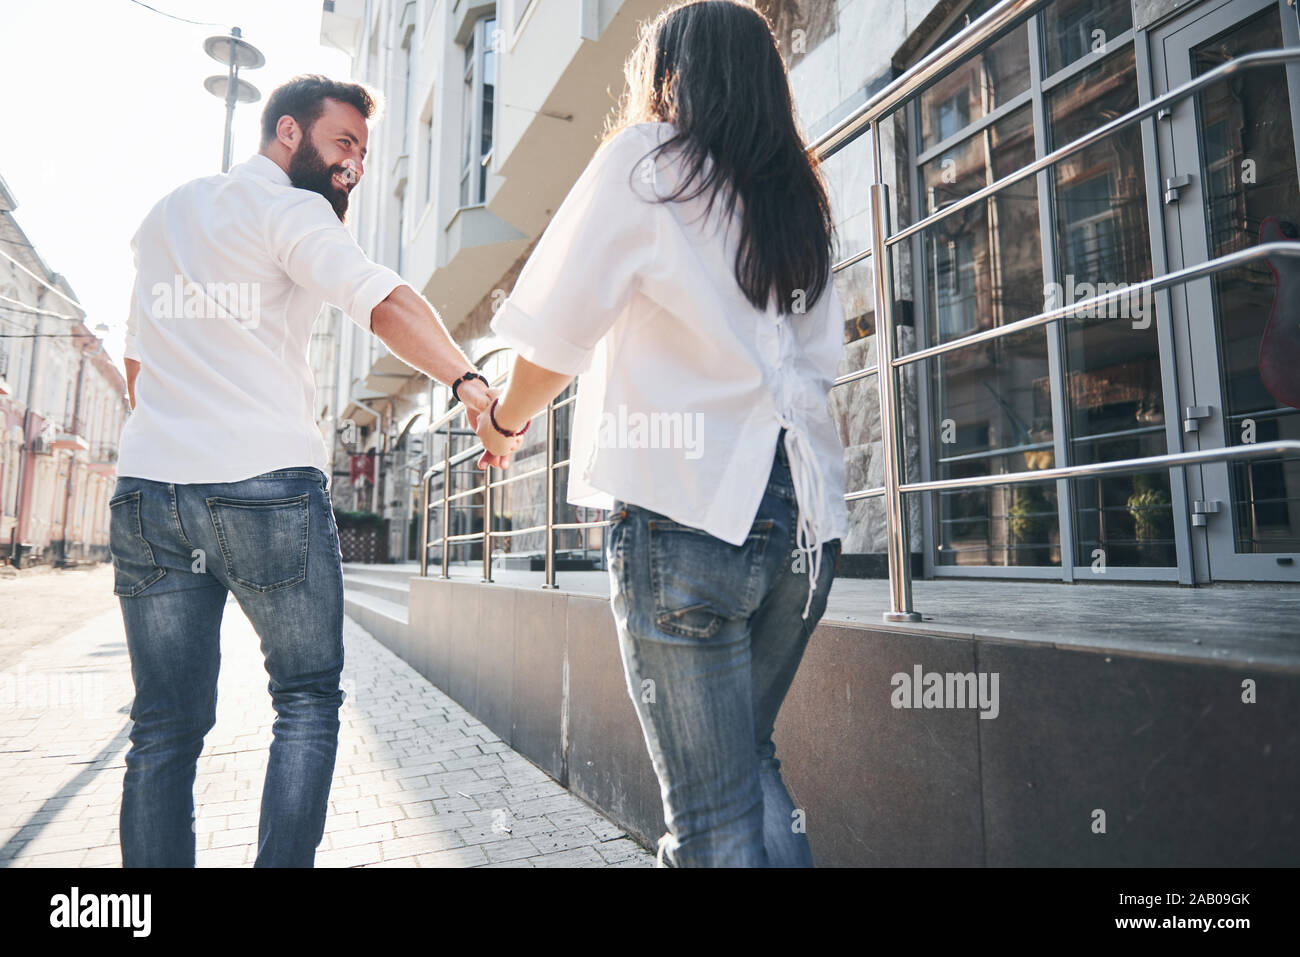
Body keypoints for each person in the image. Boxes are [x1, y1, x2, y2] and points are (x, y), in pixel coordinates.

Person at [475, 0, 848, 867]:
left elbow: (561, 329)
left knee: (711, 821)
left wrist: (502, 419)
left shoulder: (650, 160)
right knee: (746, 763)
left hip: (686, 518)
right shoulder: (801, 193)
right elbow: (820, 358)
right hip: (805, 527)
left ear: (672, 73)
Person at [111, 74, 514, 867]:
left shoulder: (167, 214)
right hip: (264, 488)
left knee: (163, 723)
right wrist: (468, 382)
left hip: (151, 492)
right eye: (343, 143)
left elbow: (135, 363)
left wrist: (175, 431)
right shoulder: (289, 209)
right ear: (287, 132)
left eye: (363, 151)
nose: (354, 164)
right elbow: (381, 300)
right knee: (304, 698)